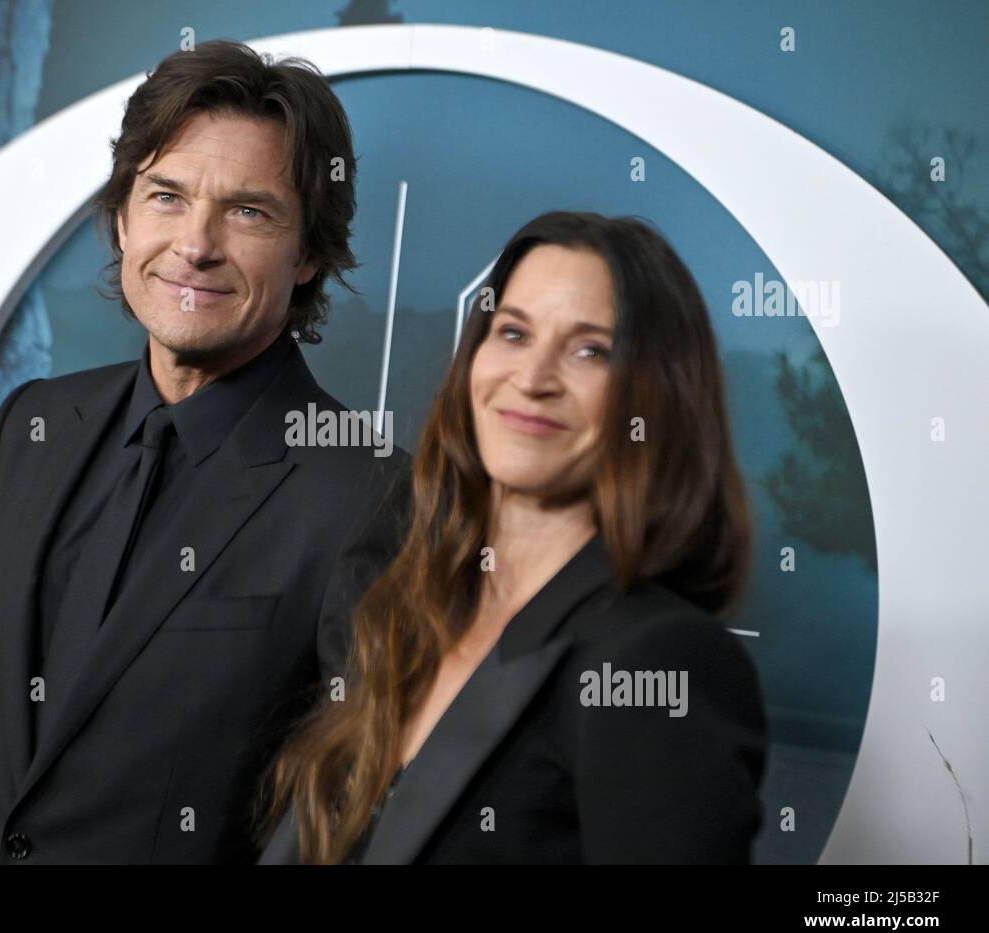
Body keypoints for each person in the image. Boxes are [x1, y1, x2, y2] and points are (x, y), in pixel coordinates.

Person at [0, 40, 408, 864]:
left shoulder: (368, 492)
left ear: (308, 251)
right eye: (166, 196)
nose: (195, 245)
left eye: (248, 211)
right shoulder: (32, 425)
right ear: (123, 216)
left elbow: (349, 818)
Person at [257, 211, 768, 864]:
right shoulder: (412, 613)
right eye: (514, 332)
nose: (532, 377)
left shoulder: (659, 657)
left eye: (590, 350)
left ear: (656, 396)